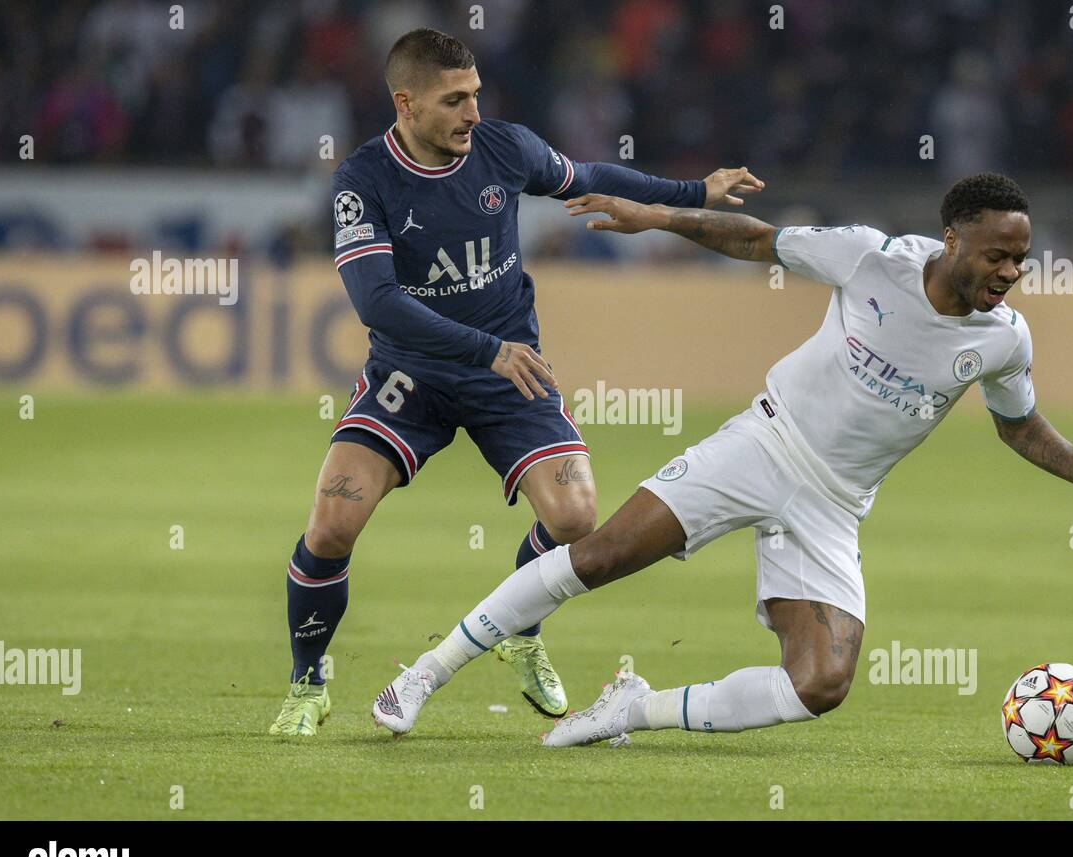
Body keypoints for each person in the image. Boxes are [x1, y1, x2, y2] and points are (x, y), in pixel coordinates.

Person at [369, 172, 1073, 750]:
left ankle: (634, 708)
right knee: (601, 553)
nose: (1008, 273)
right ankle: (426, 674)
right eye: (997, 255)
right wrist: (657, 214)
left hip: (835, 505)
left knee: (819, 685)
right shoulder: (872, 258)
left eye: (1019, 261)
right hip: (764, 444)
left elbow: (1019, 426)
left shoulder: (1004, 339)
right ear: (953, 238)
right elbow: (757, 240)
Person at [270, 27, 763, 736]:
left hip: (510, 374)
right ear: (405, 104)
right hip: (410, 375)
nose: (473, 112)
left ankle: (518, 629)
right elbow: (379, 305)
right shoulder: (362, 181)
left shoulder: (504, 148)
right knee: (332, 520)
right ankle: (307, 683)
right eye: (453, 100)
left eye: (475, 94)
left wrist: (696, 190)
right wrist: (485, 350)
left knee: (575, 518)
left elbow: (589, 175)